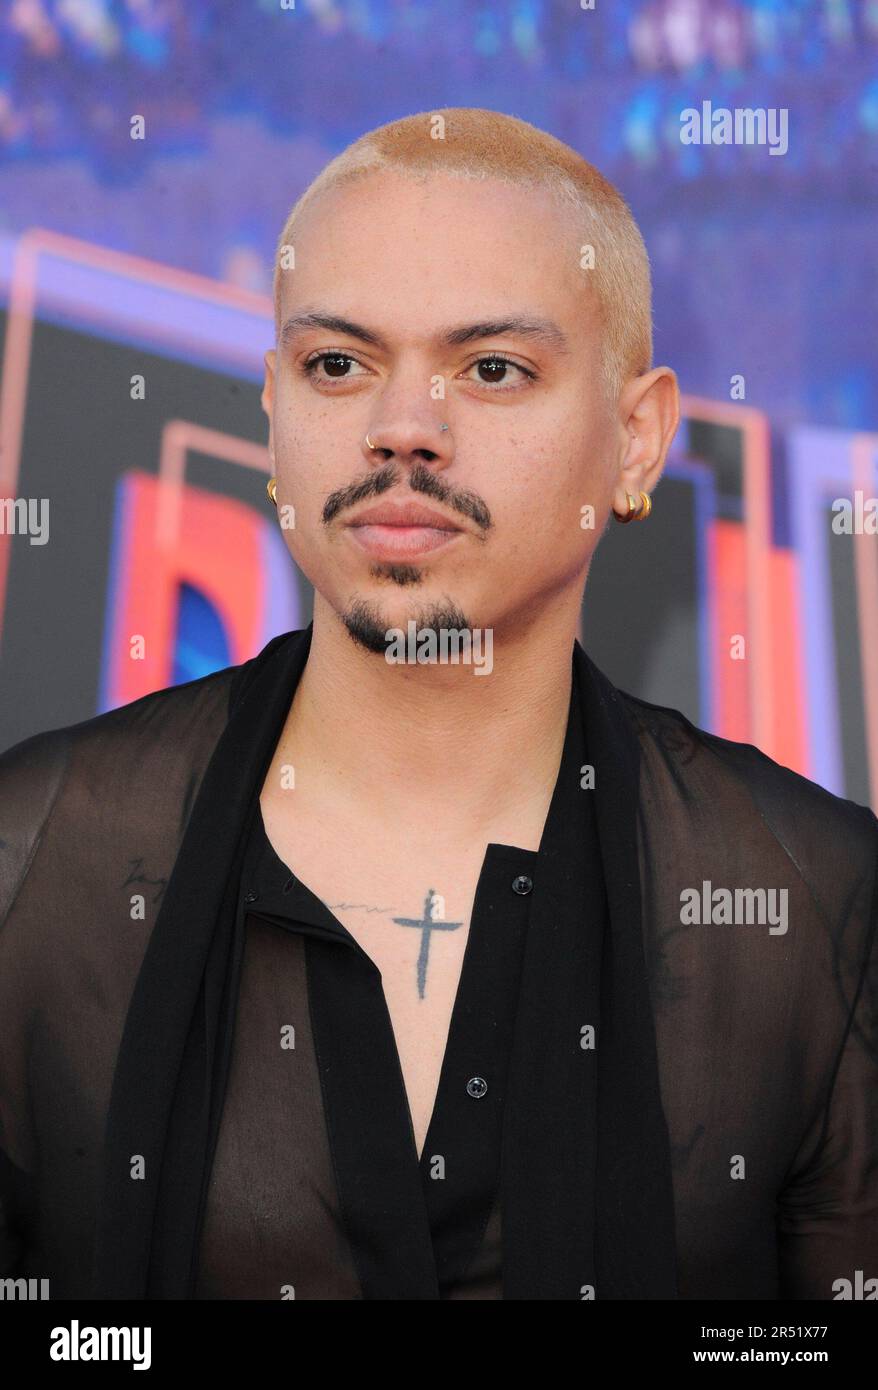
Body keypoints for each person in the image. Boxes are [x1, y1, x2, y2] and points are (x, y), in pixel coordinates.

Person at [0, 108, 875, 1302]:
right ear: (272, 413)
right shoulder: (33, 857)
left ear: (633, 441)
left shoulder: (815, 904)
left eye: (492, 369)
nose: (402, 428)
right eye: (338, 364)